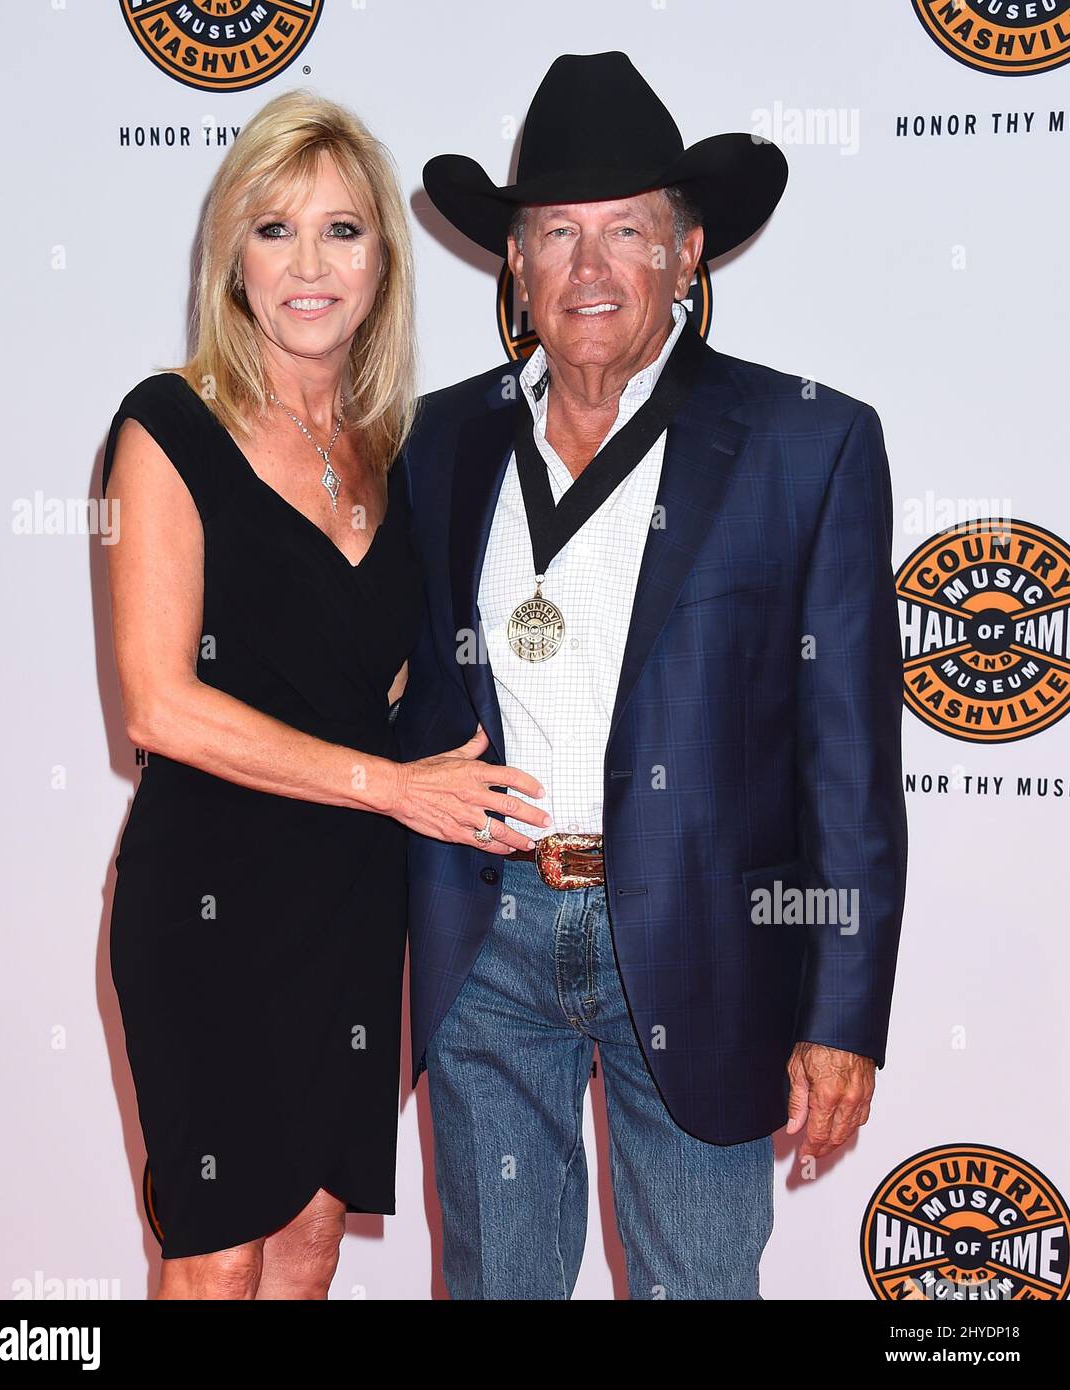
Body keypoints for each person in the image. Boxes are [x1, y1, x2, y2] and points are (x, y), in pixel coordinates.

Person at [394, 51, 908, 1299]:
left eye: (625, 231)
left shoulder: (808, 442)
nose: (587, 268)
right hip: (487, 936)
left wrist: (840, 1012)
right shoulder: (436, 437)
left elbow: (847, 757)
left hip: (702, 939)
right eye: (555, 232)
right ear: (510, 261)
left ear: (687, 256)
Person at [101, 89, 547, 1300]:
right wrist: (394, 787)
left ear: (383, 265)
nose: (309, 264)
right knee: (215, 1254)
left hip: (356, 909)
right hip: (209, 899)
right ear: (230, 256)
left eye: (343, 231)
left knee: (305, 1247)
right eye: (274, 229)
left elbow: (398, 674)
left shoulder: (393, 448)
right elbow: (157, 705)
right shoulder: (166, 427)